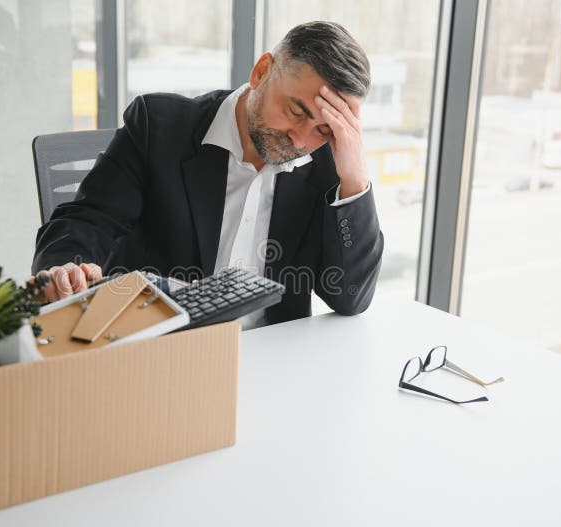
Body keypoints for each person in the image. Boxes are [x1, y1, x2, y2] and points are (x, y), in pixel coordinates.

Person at [32, 21, 384, 329]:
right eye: (295, 111)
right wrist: (67, 270)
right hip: (164, 353)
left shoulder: (325, 165)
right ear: (261, 71)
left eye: (323, 129)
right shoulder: (158, 127)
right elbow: (88, 219)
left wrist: (354, 180)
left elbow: (350, 298)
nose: (300, 139)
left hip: (273, 366)